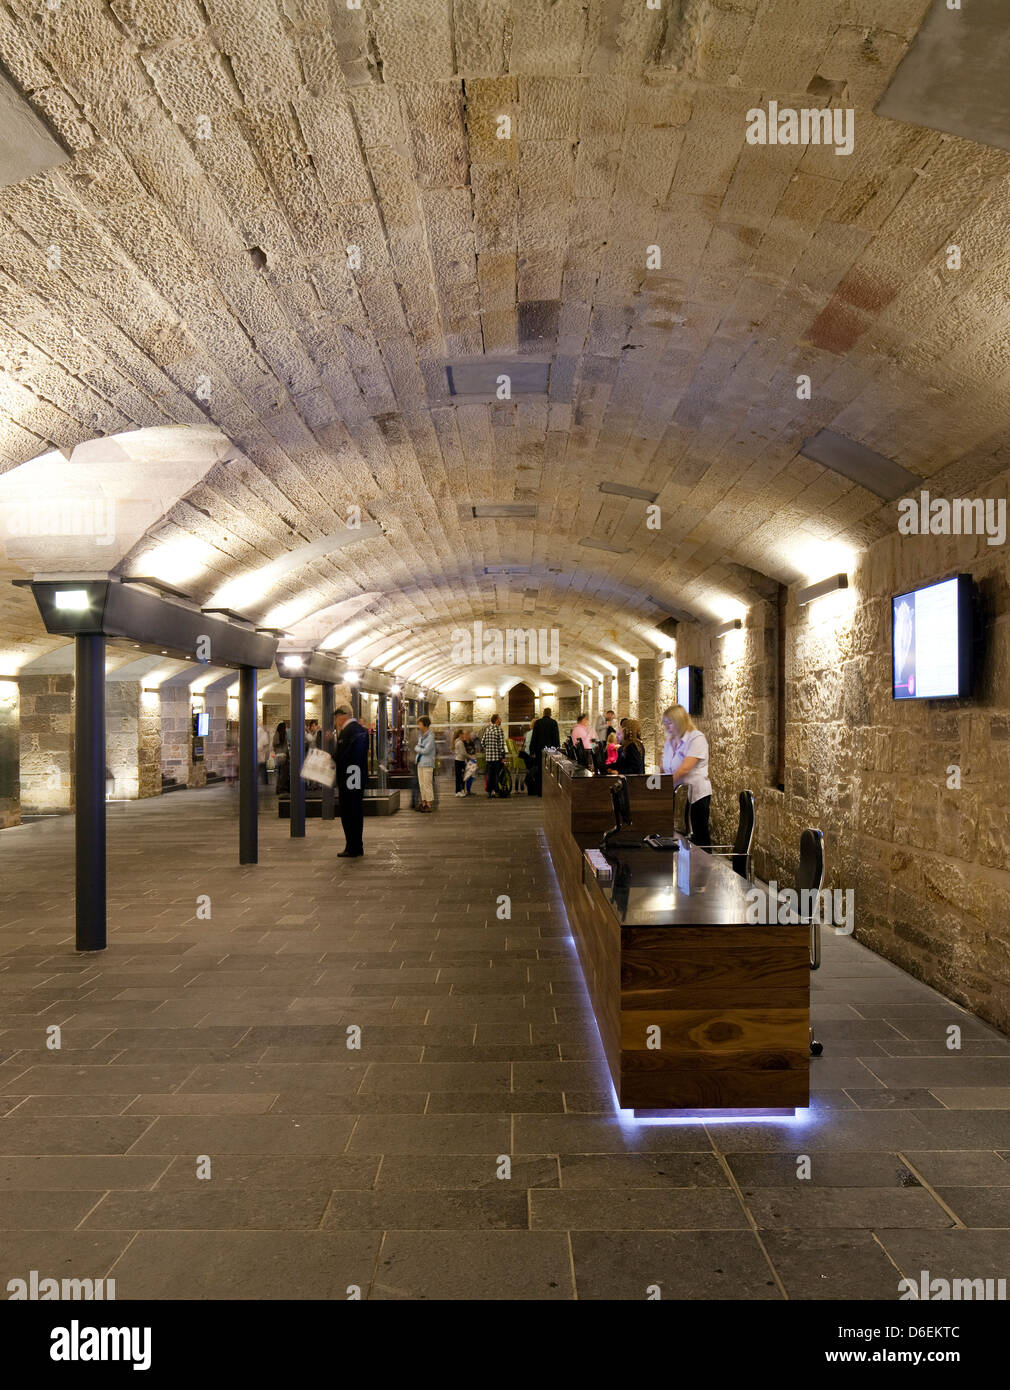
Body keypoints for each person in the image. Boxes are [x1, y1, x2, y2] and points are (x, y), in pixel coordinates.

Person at [663, 703, 712, 849]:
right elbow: (664, 768)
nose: (666, 727)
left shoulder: (696, 738)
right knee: (679, 838)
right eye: (664, 723)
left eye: (669, 723)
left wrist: (664, 787)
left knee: (698, 838)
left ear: (679, 722)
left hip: (696, 795)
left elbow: (684, 769)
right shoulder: (670, 741)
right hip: (679, 795)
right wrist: (652, 784)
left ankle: (703, 870)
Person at [334, 703, 368, 857]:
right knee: (356, 812)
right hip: (357, 777)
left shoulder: (348, 731)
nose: (336, 723)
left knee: (348, 813)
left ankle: (352, 847)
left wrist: (334, 759)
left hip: (349, 779)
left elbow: (345, 756)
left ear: (341, 717)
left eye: (336, 719)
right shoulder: (360, 730)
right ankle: (357, 846)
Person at [527, 706, 560, 797]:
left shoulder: (538, 723)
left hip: (539, 750)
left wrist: (531, 750)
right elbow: (556, 738)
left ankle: (540, 791)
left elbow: (534, 738)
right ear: (550, 714)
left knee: (540, 771)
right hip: (551, 751)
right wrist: (557, 750)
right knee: (550, 771)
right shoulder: (554, 723)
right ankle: (549, 790)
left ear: (543, 713)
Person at [415, 715, 437, 812]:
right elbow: (421, 748)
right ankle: (423, 803)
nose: (418, 726)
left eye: (419, 724)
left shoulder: (431, 736)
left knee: (427, 784)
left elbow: (426, 750)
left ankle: (428, 804)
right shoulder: (422, 736)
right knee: (422, 784)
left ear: (425, 724)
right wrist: (420, 748)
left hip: (427, 763)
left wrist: (418, 748)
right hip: (420, 762)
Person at [482, 713, 505, 797]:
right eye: (500, 718)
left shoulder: (487, 729)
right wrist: (502, 756)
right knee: (496, 775)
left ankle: (490, 791)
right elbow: (501, 745)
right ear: (496, 720)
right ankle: (496, 790)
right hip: (497, 757)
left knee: (490, 774)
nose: (501, 719)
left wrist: (488, 750)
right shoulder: (499, 730)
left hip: (488, 757)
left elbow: (482, 742)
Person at [272, 720, 289, 795]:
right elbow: (284, 746)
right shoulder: (282, 734)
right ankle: (280, 788)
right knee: (283, 773)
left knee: (280, 773)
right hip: (283, 756)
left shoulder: (277, 734)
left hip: (278, 756)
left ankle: (278, 788)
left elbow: (274, 744)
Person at [452, 727, 468, 797]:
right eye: (463, 734)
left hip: (457, 761)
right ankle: (459, 791)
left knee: (458, 777)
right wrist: (471, 757)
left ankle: (459, 791)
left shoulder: (456, 741)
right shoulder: (460, 742)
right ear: (460, 735)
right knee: (461, 777)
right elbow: (463, 753)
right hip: (460, 761)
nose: (464, 735)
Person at [257, 720, 271, 785]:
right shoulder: (264, 733)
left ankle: (258, 780)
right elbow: (266, 743)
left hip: (257, 751)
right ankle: (264, 781)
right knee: (263, 766)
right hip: (262, 752)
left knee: (259, 766)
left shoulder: (255, 732)